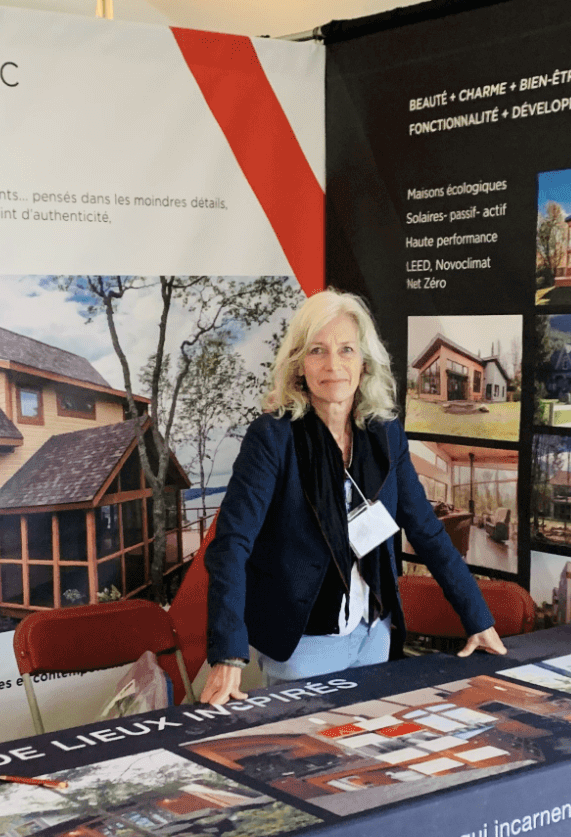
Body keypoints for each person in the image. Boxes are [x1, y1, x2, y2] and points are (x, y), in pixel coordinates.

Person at [199, 289, 504, 705]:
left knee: (365, 761)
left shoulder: (385, 434)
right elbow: (231, 544)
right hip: (303, 643)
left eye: (346, 350)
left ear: (365, 361)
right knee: (308, 761)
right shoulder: (273, 437)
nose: (333, 365)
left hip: (373, 634)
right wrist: (229, 652)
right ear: (298, 365)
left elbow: (428, 531)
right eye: (318, 351)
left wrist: (476, 616)